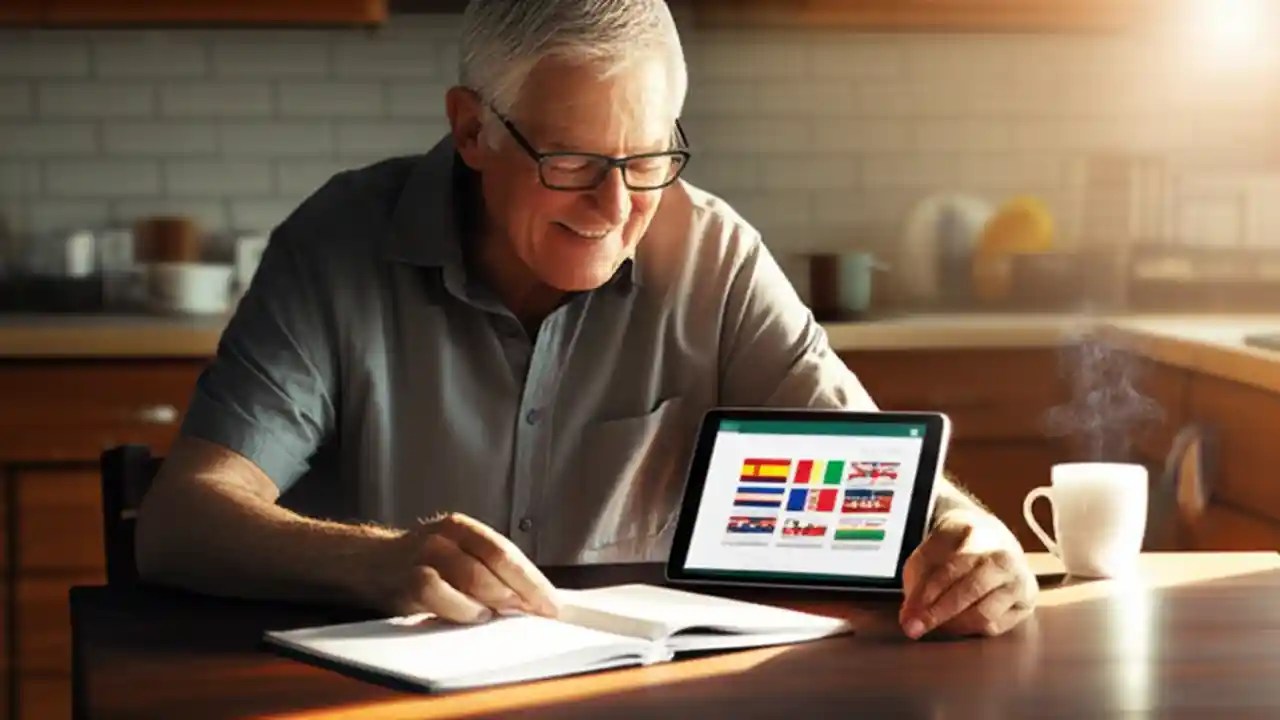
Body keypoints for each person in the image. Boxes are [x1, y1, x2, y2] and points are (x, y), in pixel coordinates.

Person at [135, 0, 1038, 640]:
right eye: (571, 160)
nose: (615, 204)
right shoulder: (337, 246)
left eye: (648, 157)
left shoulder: (714, 253)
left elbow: (873, 473)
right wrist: (371, 561)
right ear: (471, 131)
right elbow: (180, 522)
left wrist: (968, 535)